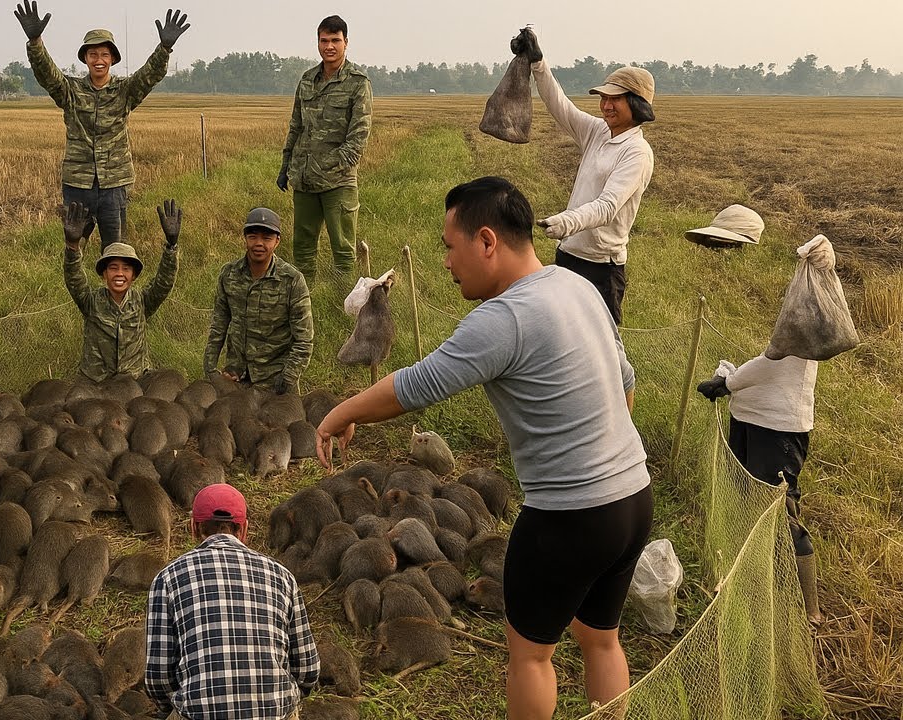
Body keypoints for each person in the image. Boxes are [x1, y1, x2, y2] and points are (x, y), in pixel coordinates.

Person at [315, 177, 652, 720]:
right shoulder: (577, 285)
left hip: (568, 516)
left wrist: (340, 412)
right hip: (632, 498)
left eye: (451, 247)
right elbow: (626, 378)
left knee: (531, 658)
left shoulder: (503, 318)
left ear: (488, 242)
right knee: (601, 638)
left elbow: (415, 386)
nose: (448, 263)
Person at [695, 218, 822, 623]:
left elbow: (774, 362)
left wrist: (728, 381)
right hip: (751, 418)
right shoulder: (794, 309)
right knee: (751, 501)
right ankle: (754, 581)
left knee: (781, 513)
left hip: (779, 429)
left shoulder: (811, 315)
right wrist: (731, 381)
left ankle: (808, 612)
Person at [14, 0, 190, 248]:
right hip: (77, 185)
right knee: (74, 247)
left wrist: (164, 48)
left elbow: (149, 76)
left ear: (112, 59)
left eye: (105, 54)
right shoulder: (70, 91)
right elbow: (47, 74)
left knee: (116, 250)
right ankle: (78, 287)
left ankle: (115, 287)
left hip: (114, 186)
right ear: (85, 58)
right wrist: (35, 43)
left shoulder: (124, 91)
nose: (99, 59)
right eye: (93, 54)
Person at [145, 483, 320, 719]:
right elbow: (308, 671)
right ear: (244, 529)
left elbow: (158, 678)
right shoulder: (282, 576)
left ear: (194, 528)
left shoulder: (167, 578)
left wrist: (180, 706)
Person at [518, 28, 655, 325]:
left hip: (601, 268)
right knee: (562, 333)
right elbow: (560, 106)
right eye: (604, 98)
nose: (606, 105)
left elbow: (607, 207)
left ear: (637, 104)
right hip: (568, 256)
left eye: (615, 99)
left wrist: (566, 221)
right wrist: (538, 64)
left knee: (601, 346)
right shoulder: (597, 132)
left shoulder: (637, 152)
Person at [277, 14, 372, 281]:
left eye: (335, 40)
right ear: (318, 42)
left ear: (346, 43)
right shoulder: (307, 80)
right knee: (303, 249)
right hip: (304, 181)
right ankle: (304, 304)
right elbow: (296, 126)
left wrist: (326, 166)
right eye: (323, 40)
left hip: (338, 183)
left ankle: (344, 307)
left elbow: (357, 140)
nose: (329, 46)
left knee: (342, 250)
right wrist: (286, 166)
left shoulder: (358, 83)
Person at [62, 199, 181, 382]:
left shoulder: (141, 302)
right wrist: (72, 246)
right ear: (104, 274)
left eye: (126, 268)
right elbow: (74, 278)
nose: (119, 274)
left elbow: (163, 283)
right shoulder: (91, 302)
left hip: (134, 382)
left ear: (133, 276)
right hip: (95, 383)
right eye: (113, 268)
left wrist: (171, 246)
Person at [203, 208, 314, 394]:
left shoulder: (292, 280)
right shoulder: (229, 274)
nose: (259, 244)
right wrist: (211, 371)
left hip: (277, 383)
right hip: (236, 379)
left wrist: (287, 379)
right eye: (253, 236)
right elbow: (218, 326)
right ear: (245, 238)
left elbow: (304, 340)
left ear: (277, 241)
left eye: (267, 238)